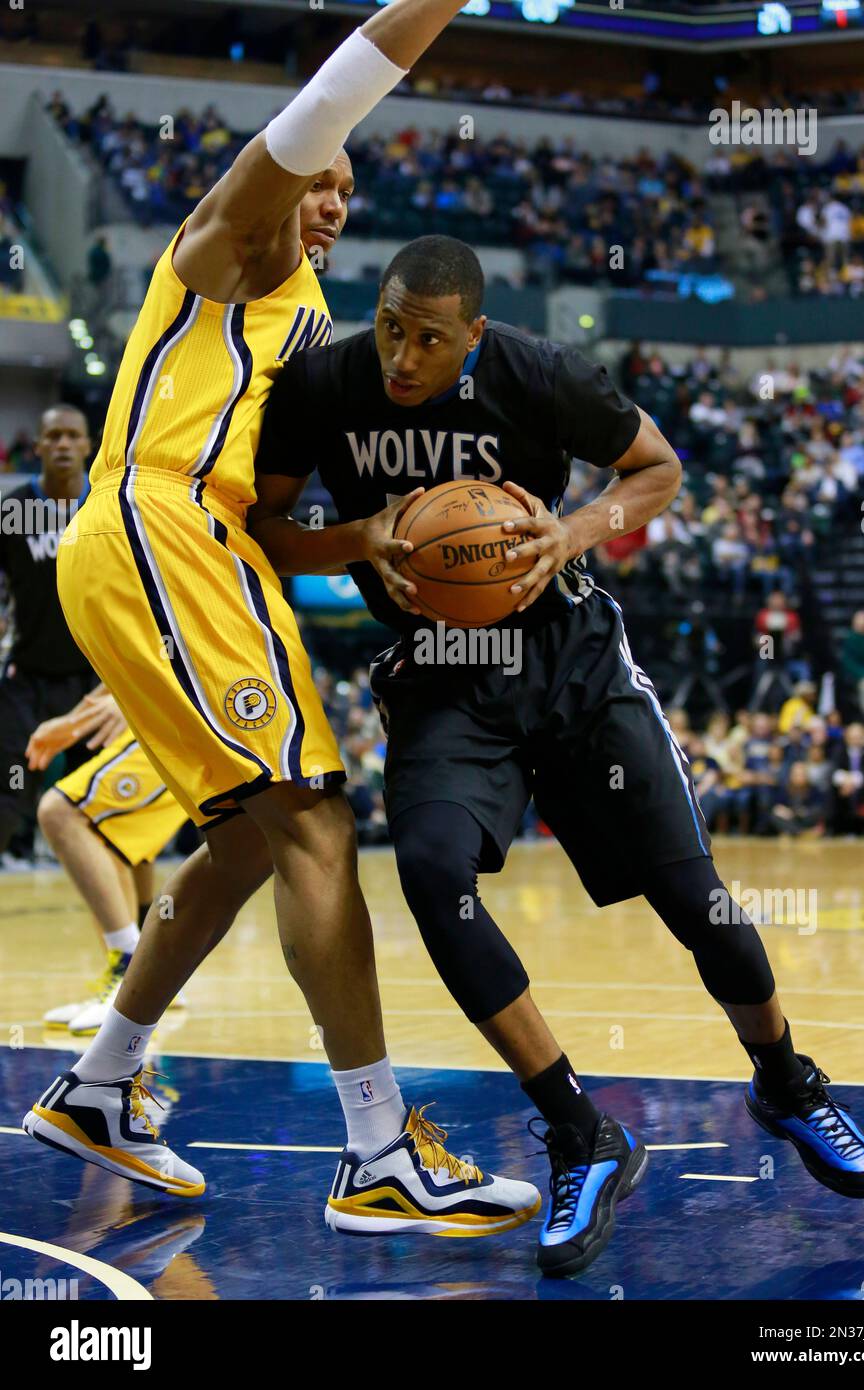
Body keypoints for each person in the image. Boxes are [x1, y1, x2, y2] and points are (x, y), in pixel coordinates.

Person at [251, 234, 864, 1277]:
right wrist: (357, 538)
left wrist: (576, 529)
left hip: (574, 657)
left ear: (475, 335)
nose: (404, 357)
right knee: (431, 872)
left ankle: (784, 1078)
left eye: (431, 340)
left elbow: (660, 466)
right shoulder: (324, 380)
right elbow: (266, 526)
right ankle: (577, 1129)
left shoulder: (541, 374)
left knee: (700, 902)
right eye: (393, 329)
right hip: (444, 671)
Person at [25, 3, 539, 1240]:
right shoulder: (230, 245)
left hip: (202, 552)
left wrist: (378, 540)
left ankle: (100, 1085)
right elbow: (320, 112)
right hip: (162, 524)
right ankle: (375, 1146)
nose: (334, 194)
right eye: (325, 174)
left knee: (256, 840)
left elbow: (303, 503)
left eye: (352, 189)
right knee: (313, 818)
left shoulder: (311, 323)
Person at [27, 686, 190, 1035]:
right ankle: (150, 977)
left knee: (61, 812)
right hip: (161, 705)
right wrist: (73, 722)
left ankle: (135, 974)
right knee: (110, 836)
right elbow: (120, 656)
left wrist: (135, 691)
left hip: (181, 709)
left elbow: (174, 636)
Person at [0, 407, 99, 864]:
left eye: (71, 436)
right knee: (10, 787)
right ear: (37, 446)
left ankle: (127, 922)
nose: (62, 444)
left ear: (87, 445)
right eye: (52, 436)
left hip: (97, 682)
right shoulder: (15, 510)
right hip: (29, 676)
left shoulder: (106, 505)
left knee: (102, 803)